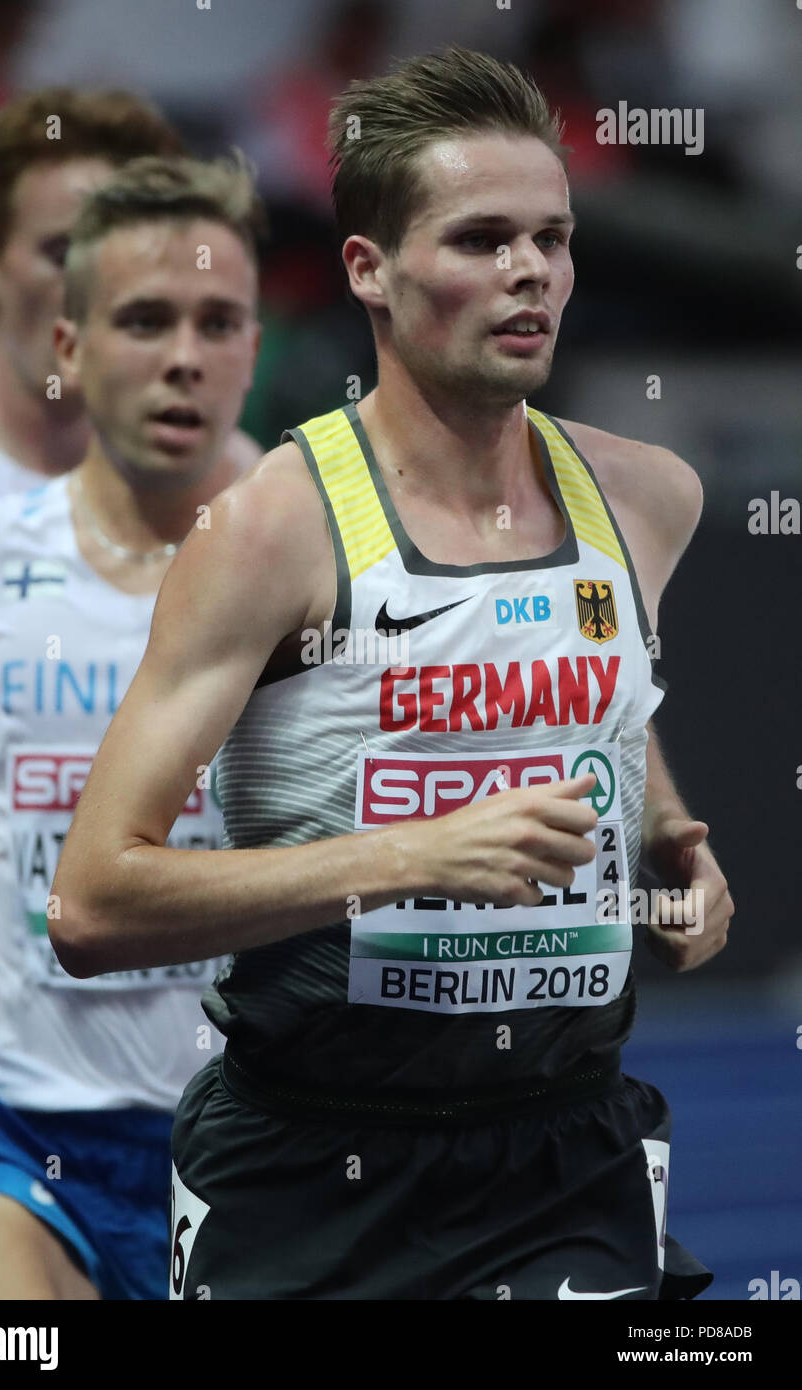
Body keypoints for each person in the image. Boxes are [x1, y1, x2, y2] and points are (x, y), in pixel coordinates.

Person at [50, 49, 734, 1301]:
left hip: (566, 1154)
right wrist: (410, 857)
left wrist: (669, 841)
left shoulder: (646, 497)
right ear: (367, 267)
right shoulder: (269, 528)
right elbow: (94, 904)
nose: (530, 271)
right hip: (310, 1164)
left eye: (552, 238)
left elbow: (604, 704)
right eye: (480, 239)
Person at [0, 153, 264, 1299]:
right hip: (7, 1115)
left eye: (218, 323)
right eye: (144, 320)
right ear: (68, 348)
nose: (182, 358)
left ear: (254, 344)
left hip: (247, 1132)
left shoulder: (315, 574)